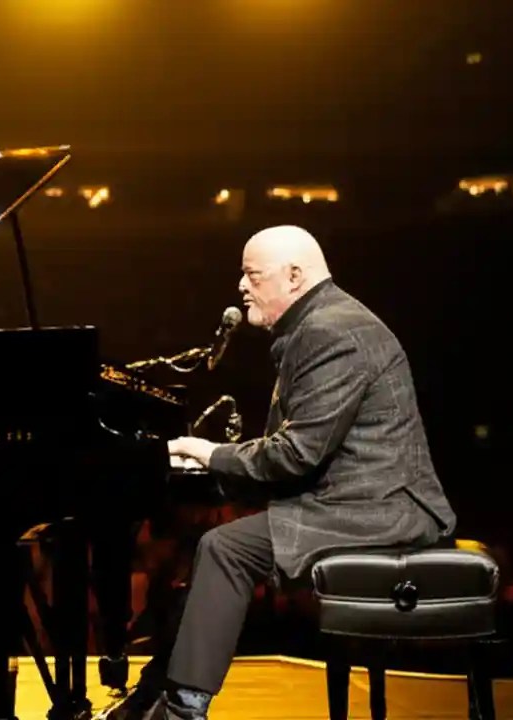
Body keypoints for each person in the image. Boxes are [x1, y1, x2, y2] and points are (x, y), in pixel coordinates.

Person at [113, 225, 457, 720]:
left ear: (295, 276)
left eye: (252, 274)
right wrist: (215, 460)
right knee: (211, 545)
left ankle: (182, 708)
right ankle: (158, 691)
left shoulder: (330, 331)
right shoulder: (322, 323)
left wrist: (210, 455)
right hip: (353, 501)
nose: (241, 286)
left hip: (379, 512)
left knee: (225, 548)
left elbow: (297, 454)